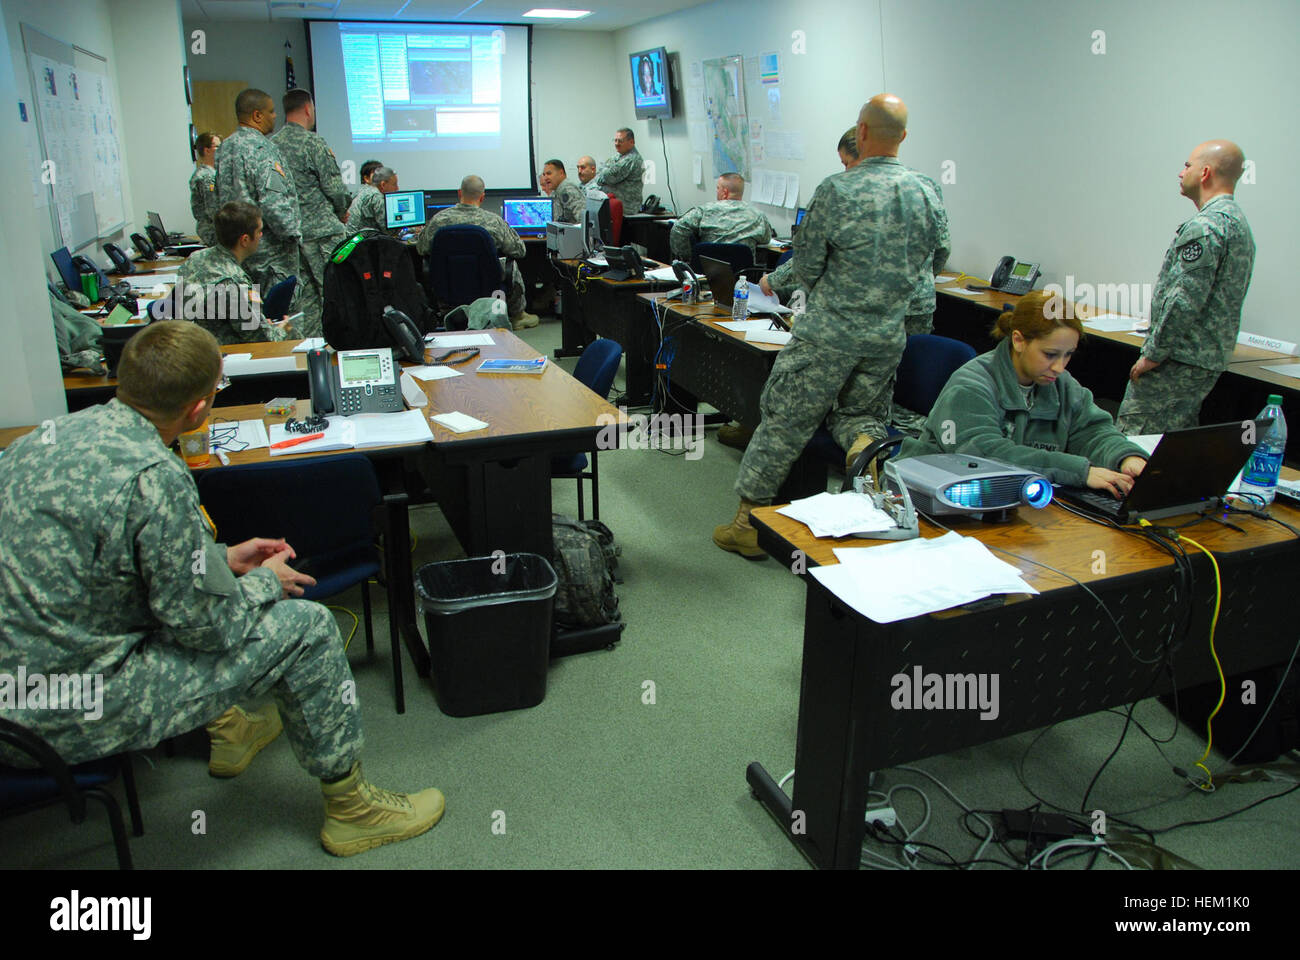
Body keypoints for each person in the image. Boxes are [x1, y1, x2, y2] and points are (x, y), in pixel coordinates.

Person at [0, 321, 445, 857]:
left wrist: (218, 559)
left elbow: (107, 565)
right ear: (198, 410)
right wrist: (264, 582)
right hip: (60, 718)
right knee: (306, 627)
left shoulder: (37, 441)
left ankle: (232, 729)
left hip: (15, 697)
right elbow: (209, 630)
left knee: (160, 603)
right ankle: (353, 812)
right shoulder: (153, 477)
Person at [714, 94, 947, 558]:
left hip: (827, 336)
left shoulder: (837, 190)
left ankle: (747, 525)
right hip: (886, 337)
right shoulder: (926, 190)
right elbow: (936, 259)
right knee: (860, 418)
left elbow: (806, 266)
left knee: (784, 420)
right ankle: (870, 499)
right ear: (903, 136)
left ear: (861, 132)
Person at [899, 291, 1149, 497]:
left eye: (1068, 355)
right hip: (937, 493)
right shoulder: (971, 385)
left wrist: (1126, 458)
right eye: (1050, 354)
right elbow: (981, 454)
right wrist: (1079, 471)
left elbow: (1092, 431)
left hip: (1016, 494)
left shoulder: (1061, 385)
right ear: (1018, 340)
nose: (1059, 367)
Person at [1116, 140, 1256, 435]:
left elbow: (1184, 299)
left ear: (1205, 173)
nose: (1181, 173)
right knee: (1174, 441)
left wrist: (1153, 354)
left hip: (1177, 358)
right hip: (1205, 358)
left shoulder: (1205, 226)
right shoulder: (1238, 224)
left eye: (1187, 165)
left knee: (1136, 439)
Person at [271, 88, 350, 338]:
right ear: (308, 109)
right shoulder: (313, 142)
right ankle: (342, 342)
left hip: (292, 235)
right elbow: (334, 188)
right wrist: (342, 210)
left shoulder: (271, 145)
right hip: (323, 233)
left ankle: (313, 345)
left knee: (306, 299)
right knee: (339, 292)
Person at [415, 175, 540, 329]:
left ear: (459, 193)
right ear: (482, 197)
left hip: (447, 287)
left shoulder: (438, 220)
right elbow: (519, 251)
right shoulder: (493, 221)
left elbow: (420, 249)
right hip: (487, 287)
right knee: (511, 265)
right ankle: (518, 316)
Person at [214, 88, 302, 297]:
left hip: (237, 251)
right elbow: (273, 202)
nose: (275, 116)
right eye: (271, 111)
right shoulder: (262, 148)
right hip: (271, 256)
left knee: (249, 312)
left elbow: (215, 200)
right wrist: (293, 235)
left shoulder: (225, 147)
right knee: (280, 312)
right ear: (257, 116)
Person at [172, 201, 292, 344]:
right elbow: (263, 340)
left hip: (189, 344)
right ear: (245, 240)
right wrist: (282, 329)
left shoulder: (197, 258)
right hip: (221, 352)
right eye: (259, 231)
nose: (261, 235)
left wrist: (260, 323)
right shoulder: (234, 282)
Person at [669, 173, 775, 263]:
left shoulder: (705, 210)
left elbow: (678, 228)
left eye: (718, 188)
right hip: (742, 276)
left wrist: (689, 257)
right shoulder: (758, 215)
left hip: (706, 272)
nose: (717, 191)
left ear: (725, 192)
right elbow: (766, 239)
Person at [595, 128, 645, 210]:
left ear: (631, 142)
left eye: (620, 141)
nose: (617, 144)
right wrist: (604, 172)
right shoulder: (618, 156)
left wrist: (604, 172)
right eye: (615, 140)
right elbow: (599, 173)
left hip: (626, 207)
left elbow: (609, 176)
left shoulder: (631, 159)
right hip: (613, 205)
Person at [346, 165, 400, 236]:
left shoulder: (363, 189)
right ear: (383, 185)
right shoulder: (376, 197)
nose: (397, 188)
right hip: (361, 239)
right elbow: (388, 231)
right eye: (394, 184)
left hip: (350, 238)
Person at [189, 132, 221, 247]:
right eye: (218, 146)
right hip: (213, 231)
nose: (222, 149)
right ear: (207, 150)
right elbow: (213, 209)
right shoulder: (207, 176)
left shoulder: (211, 172)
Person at [540, 158, 585, 224]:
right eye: (544, 174)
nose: (545, 178)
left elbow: (583, 219)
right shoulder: (555, 190)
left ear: (561, 173)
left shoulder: (568, 189)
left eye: (549, 174)